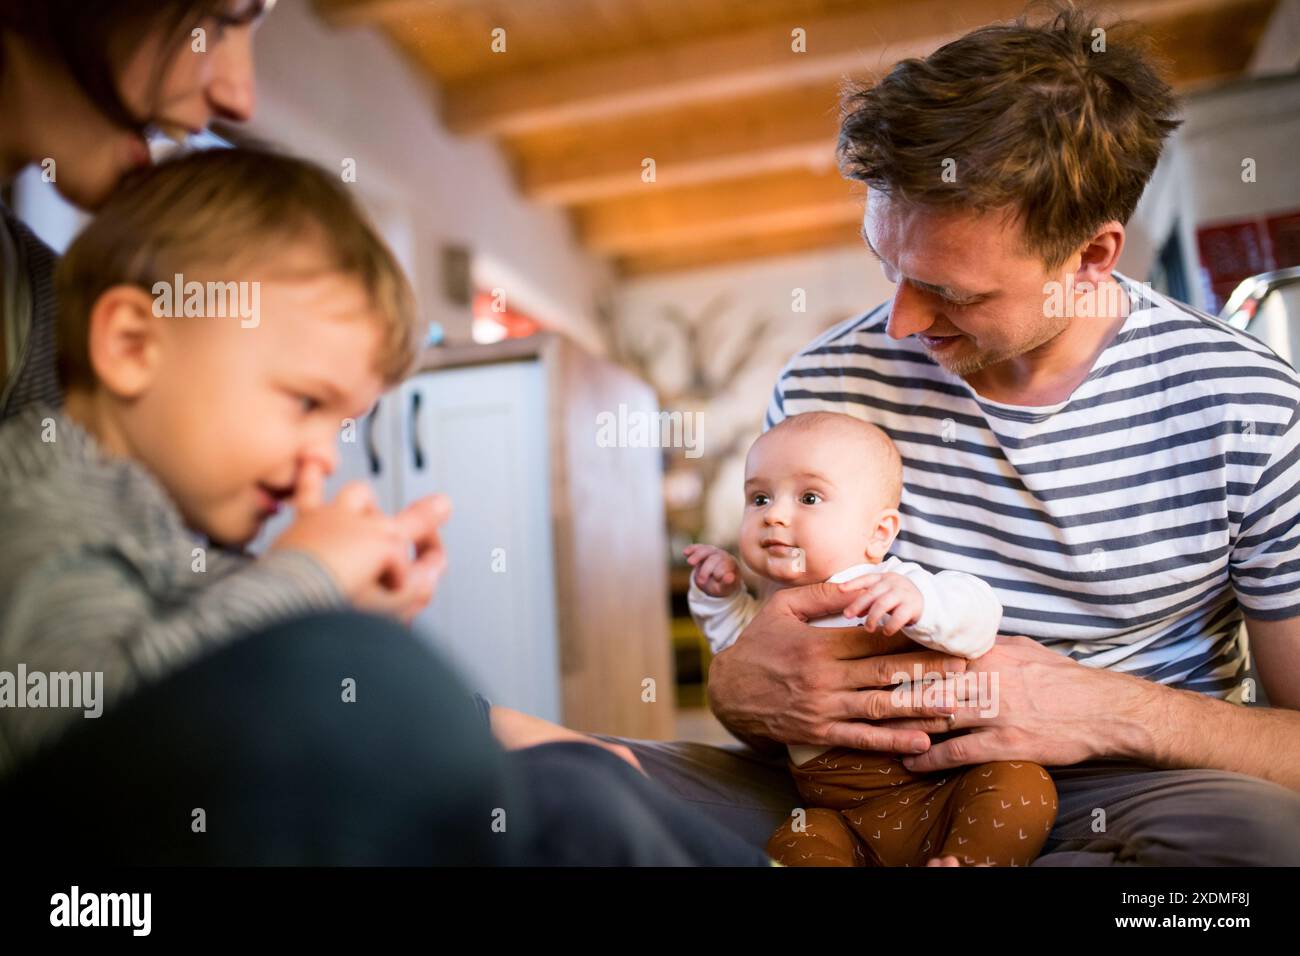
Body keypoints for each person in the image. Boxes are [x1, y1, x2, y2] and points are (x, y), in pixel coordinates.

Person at [0, 2, 769, 865]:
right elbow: (76, 729)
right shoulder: (43, 493)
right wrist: (309, 588)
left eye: (342, 421)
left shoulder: (176, 524)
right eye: (303, 402)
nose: (323, 458)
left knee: (580, 786)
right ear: (133, 345)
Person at [594, 8, 1300, 865]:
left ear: (1090, 258)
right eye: (887, 267)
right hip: (852, 787)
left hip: (1122, 786)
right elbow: (759, 666)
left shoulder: (1247, 405)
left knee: (1262, 844)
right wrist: (745, 690)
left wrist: (1111, 710)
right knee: (584, 793)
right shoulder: (825, 385)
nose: (898, 323)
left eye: (950, 293)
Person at [686, 412, 1055, 866]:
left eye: (809, 497)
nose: (775, 516)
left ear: (878, 533)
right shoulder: (768, 608)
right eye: (759, 498)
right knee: (799, 841)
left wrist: (922, 604)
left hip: (939, 788)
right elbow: (737, 659)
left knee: (1021, 785)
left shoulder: (892, 582)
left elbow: (980, 614)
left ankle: (968, 860)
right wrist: (718, 599)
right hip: (838, 812)